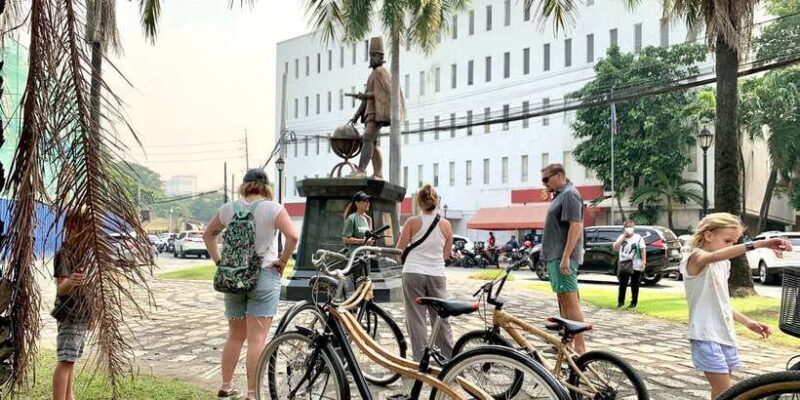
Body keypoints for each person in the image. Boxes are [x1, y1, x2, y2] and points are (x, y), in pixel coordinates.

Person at [203, 168, 299, 400]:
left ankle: (226, 386)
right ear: (265, 186)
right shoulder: (273, 208)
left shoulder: (228, 209)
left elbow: (208, 235)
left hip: (233, 277)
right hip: (263, 276)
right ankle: (252, 393)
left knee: (235, 336)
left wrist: (220, 262)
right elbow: (293, 236)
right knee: (257, 339)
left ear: (244, 185)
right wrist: (283, 260)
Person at [681, 213, 789, 399]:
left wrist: (747, 322)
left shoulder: (723, 264)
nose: (731, 246)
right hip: (705, 335)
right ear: (708, 235)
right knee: (726, 392)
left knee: (724, 392)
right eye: (727, 241)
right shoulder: (695, 257)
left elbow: (722, 303)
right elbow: (714, 255)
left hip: (724, 334)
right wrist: (760, 244)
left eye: (734, 242)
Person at [396, 184, 455, 361]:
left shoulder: (412, 222)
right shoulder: (446, 225)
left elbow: (399, 250)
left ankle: (421, 360)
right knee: (440, 317)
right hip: (437, 274)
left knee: (416, 318)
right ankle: (448, 358)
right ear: (437, 202)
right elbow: (446, 255)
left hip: (413, 272)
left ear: (419, 202)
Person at [540, 163, 587, 354]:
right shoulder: (560, 195)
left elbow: (575, 226)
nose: (545, 184)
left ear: (559, 175)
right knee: (563, 299)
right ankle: (566, 344)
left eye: (546, 179)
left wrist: (566, 256)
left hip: (562, 254)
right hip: (555, 254)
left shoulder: (570, 194)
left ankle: (580, 348)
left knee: (570, 300)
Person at [52, 211, 91, 400]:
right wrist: (71, 281)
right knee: (65, 360)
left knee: (71, 359)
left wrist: (92, 314)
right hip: (69, 313)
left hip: (82, 313)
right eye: (83, 226)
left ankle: (69, 396)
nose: (87, 231)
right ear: (71, 226)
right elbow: (60, 289)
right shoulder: (64, 253)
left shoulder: (83, 253)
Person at [613, 220, 647, 308]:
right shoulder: (621, 237)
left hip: (636, 264)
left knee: (635, 284)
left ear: (634, 227)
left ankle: (633, 303)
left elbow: (643, 250)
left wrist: (643, 262)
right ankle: (621, 302)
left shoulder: (638, 238)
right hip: (624, 264)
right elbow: (615, 247)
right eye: (627, 227)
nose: (629, 228)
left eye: (630, 226)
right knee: (622, 284)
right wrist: (623, 237)